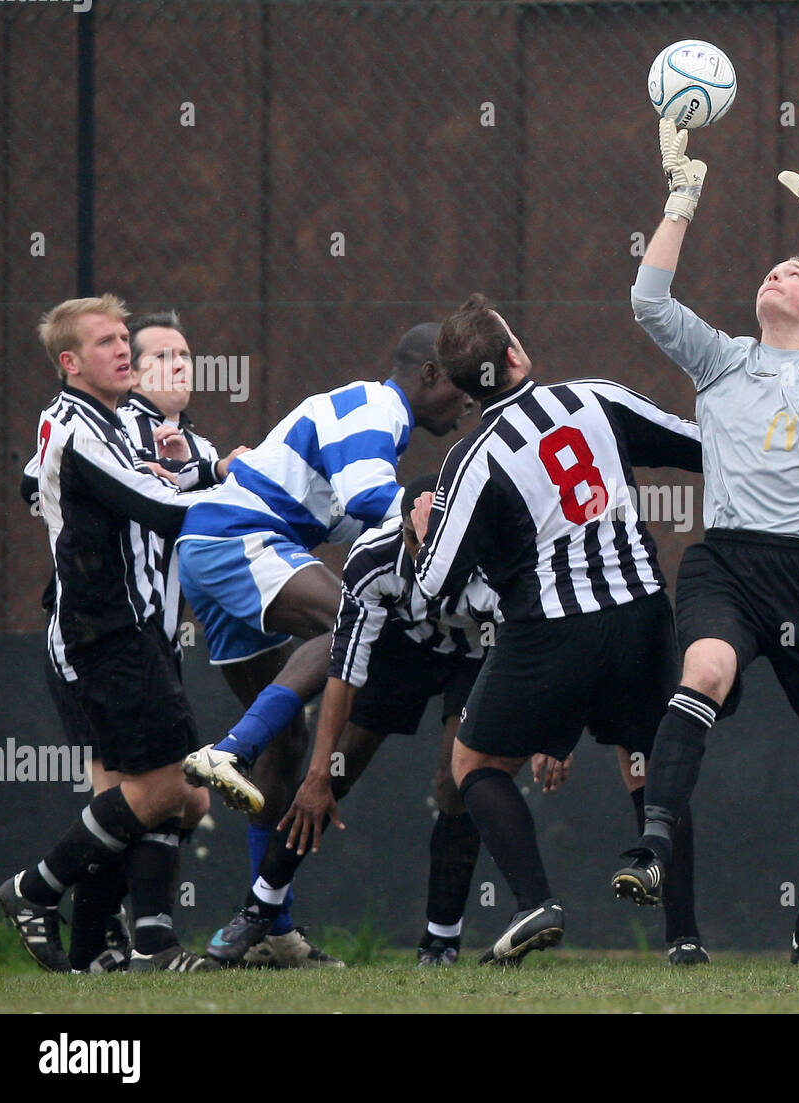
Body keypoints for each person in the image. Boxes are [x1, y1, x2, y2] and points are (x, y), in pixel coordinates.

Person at [608, 120, 799, 966]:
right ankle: (653, 847)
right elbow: (648, 301)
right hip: (728, 562)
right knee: (703, 669)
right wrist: (681, 199)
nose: (778, 271)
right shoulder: (722, 361)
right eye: (772, 267)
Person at [411, 292, 707, 966]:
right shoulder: (594, 398)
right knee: (647, 766)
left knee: (473, 763)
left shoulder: (472, 458)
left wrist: (423, 530)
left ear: (461, 387)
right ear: (515, 353)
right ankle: (685, 938)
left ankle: (535, 900)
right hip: (640, 613)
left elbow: (435, 586)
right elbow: (700, 445)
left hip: (550, 634)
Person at [175, 323, 471, 966]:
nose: (468, 399)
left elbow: (349, 514)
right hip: (237, 538)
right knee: (350, 622)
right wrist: (451, 522)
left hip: (217, 549)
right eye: (459, 382)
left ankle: (272, 929)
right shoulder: (379, 408)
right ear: (427, 375)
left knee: (287, 743)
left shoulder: (369, 418)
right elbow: (372, 499)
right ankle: (227, 750)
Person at [0, 296, 238, 973]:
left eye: (126, 338)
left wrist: (177, 468)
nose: (125, 350)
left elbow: (133, 486)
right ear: (70, 362)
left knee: (156, 796)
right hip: (103, 632)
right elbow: (156, 509)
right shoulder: (80, 426)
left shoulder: (107, 421)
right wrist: (245, 491)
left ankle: (112, 948)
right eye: (108, 342)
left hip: (131, 633)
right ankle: (37, 890)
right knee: (168, 790)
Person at [203, 475, 497, 967]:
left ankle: (440, 941)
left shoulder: (498, 558)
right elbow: (344, 669)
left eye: (441, 541)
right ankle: (260, 908)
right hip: (403, 650)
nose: (428, 556)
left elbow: (530, 644)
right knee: (335, 771)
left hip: (475, 656)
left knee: (456, 779)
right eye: (416, 540)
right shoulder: (374, 557)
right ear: (402, 531)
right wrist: (317, 773)